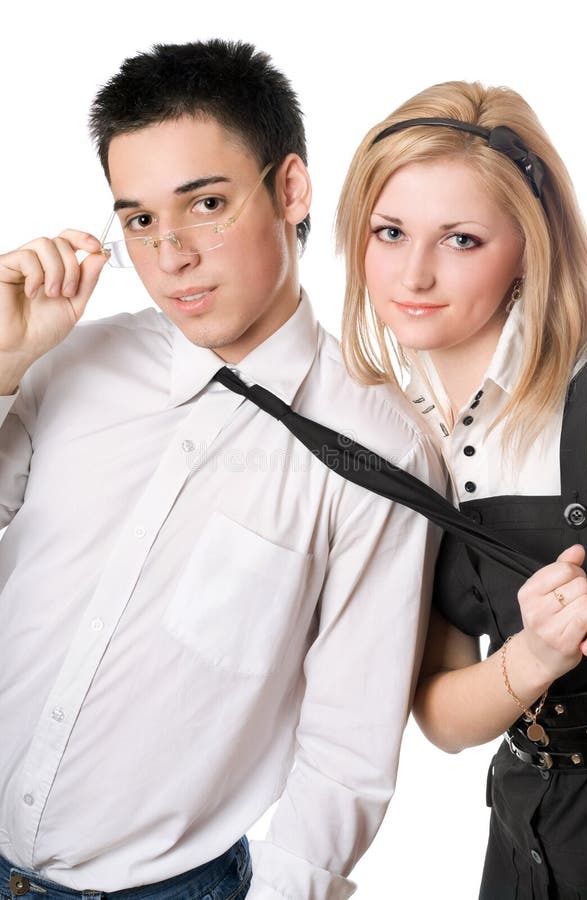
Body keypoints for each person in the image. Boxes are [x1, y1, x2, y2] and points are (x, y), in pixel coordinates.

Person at [0, 39, 445, 900]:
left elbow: (347, 742)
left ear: (290, 190)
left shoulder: (379, 448)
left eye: (204, 203)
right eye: (138, 220)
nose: (169, 254)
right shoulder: (70, 362)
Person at [336, 81, 587, 899]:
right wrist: (533, 656)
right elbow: (442, 715)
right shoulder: (400, 433)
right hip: (526, 832)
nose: (413, 272)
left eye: (459, 239)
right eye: (390, 233)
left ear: (529, 243)